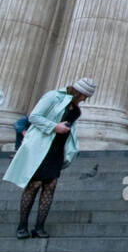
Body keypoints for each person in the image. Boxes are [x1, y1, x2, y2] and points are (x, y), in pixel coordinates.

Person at [3, 77, 96, 238]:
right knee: (34, 185)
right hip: (41, 146)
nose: (84, 99)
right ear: (78, 92)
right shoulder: (53, 96)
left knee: (50, 186)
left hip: (57, 149)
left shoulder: (74, 106)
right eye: (84, 96)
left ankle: (39, 227)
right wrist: (54, 127)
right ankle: (22, 226)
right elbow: (34, 116)